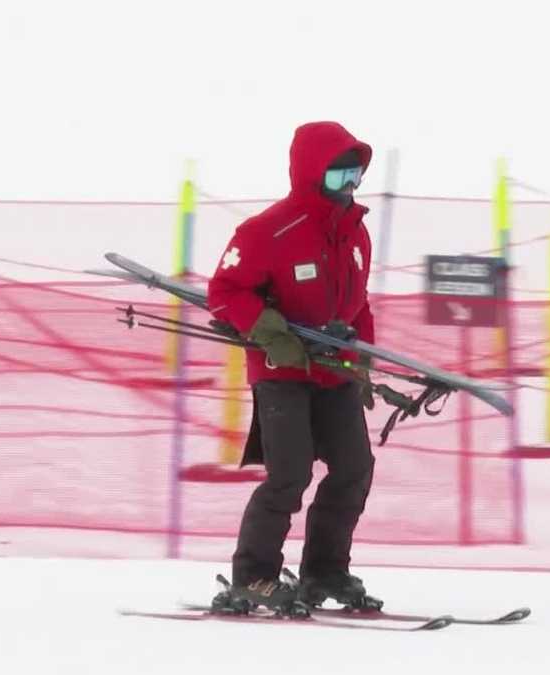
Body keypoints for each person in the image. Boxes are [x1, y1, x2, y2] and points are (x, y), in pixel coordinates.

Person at [207, 121, 380, 613]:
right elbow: (223, 293)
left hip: (334, 370)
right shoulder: (266, 231)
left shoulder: (356, 232)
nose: (349, 184)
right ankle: (254, 576)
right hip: (281, 372)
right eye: (337, 173)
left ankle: (325, 571)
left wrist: (362, 357)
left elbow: (358, 304)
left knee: (353, 469)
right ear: (310, 172)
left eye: (356, 174)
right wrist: (267, 330)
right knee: (289, 475)